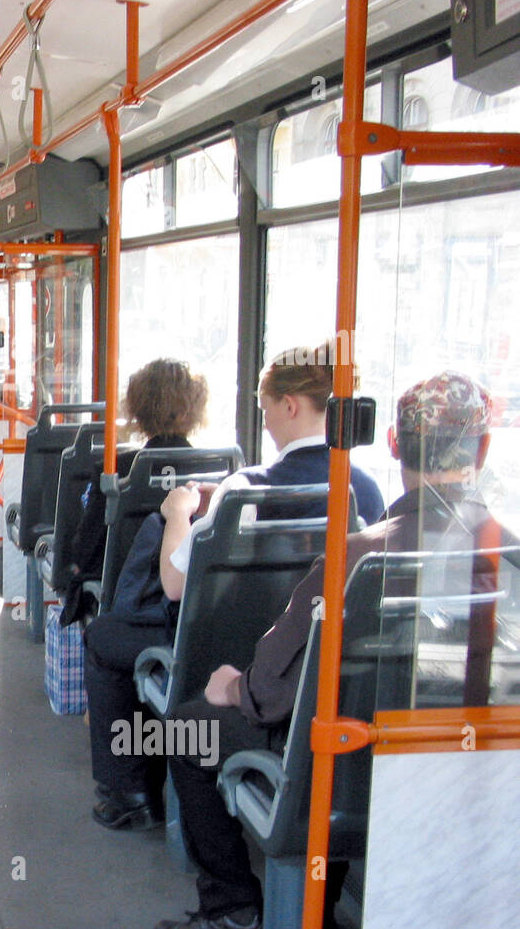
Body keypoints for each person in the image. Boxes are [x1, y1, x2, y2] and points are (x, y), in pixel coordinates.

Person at [153, 371, 499, 929]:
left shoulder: (356, 560)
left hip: (346, 772)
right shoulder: (507, 558)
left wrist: (232, 685)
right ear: (484, 451)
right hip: (472, 781)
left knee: (188, 728)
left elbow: (270, 690)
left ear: (393, 443)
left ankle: (232, 909)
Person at [84, 344, 385, 831]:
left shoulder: (244, 488)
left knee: (104, 637)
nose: (264, 422)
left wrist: (179, 513)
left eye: (265, 409)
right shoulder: (366, 491)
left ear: (290, 406)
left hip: (223, 656)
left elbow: (175, 585)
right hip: (315, 669)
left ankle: (129, 791)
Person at [60, 358, 209, 626]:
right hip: (194, 595)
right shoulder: (213, 470)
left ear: (138, 411)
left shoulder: (116, 468)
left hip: (130, 593)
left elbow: (86, 549)